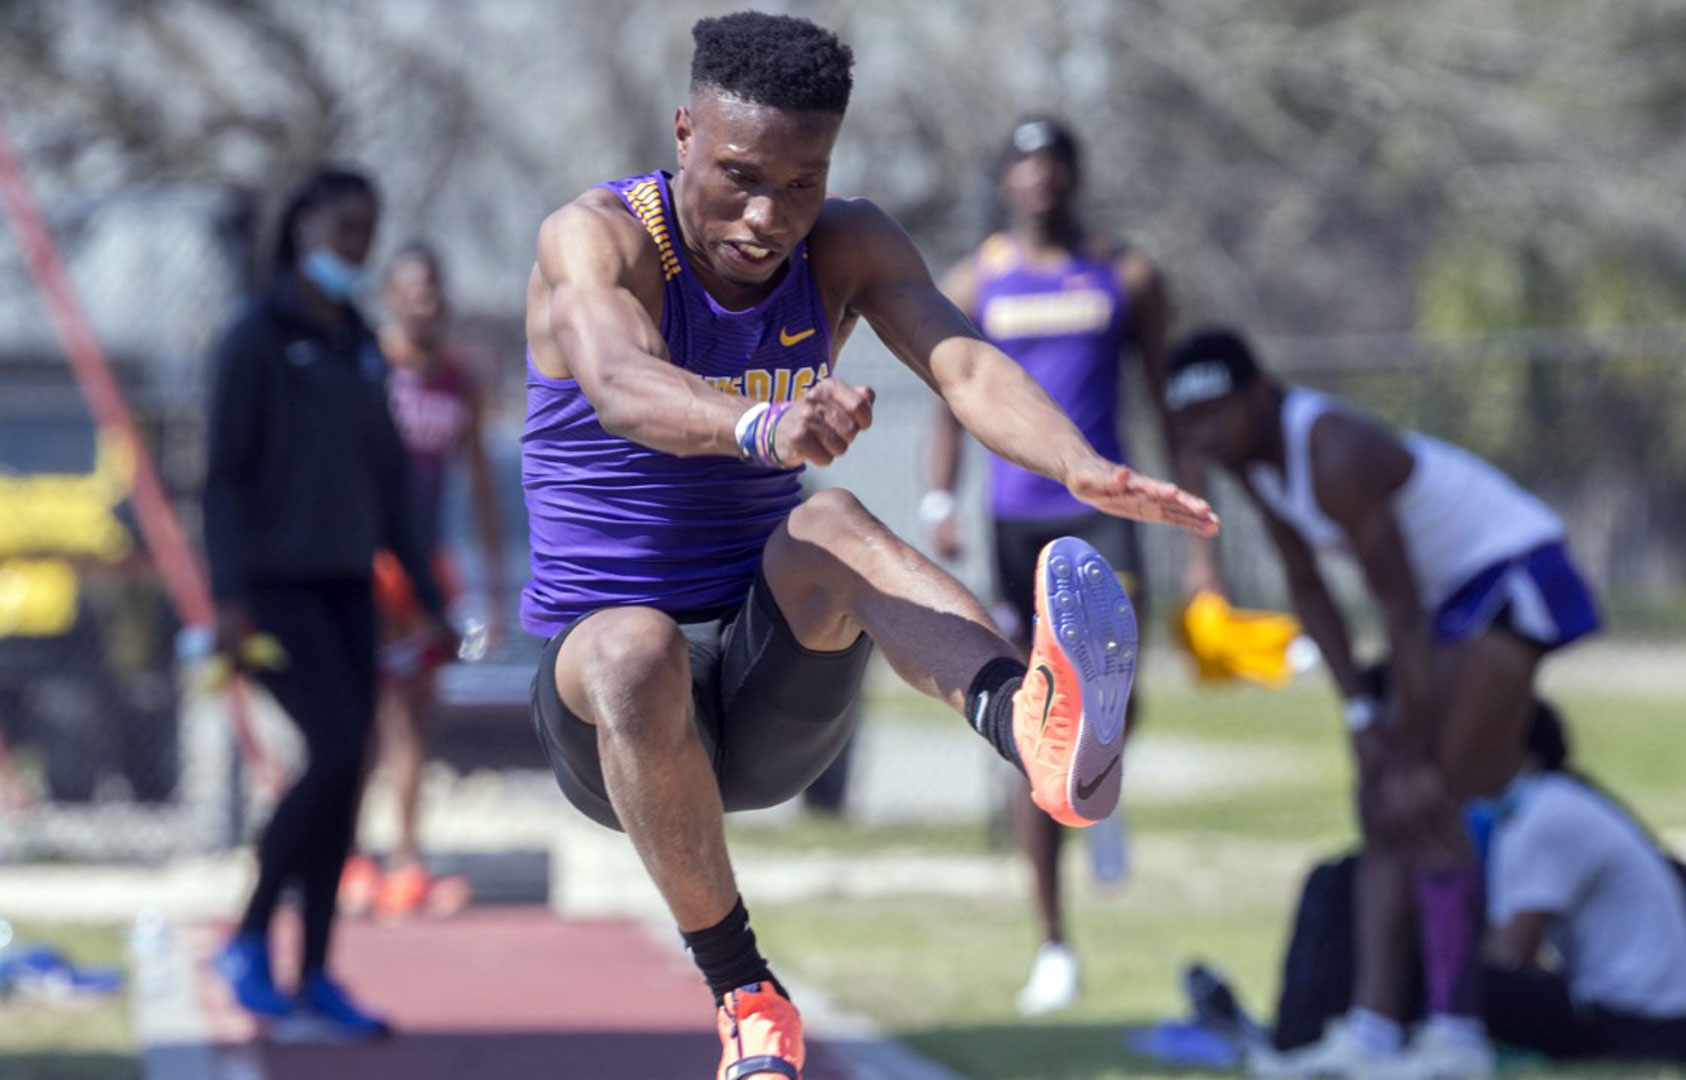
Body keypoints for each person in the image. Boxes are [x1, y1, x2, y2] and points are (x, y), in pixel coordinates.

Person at [518, 13, 1216, 1079]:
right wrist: (764, 424)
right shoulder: (597, 238)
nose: (766, 218)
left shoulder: (847, 243)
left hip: (769, 683)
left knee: (829, 522)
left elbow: (965, 364)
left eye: (801, 184)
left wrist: (1077, 464)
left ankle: (1027, 724)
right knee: (632, 647)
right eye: (740, 178)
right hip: (609, 709)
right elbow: (619, 383)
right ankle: (746, 995)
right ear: (684, 134)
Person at [1164, 329, 1600, 1080]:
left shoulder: (1333, 450)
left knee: (1431, 796)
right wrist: (1363, 717)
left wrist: (1409, 749)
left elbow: (1399, 612)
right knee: (1382, 804)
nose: (1207, 435)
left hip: (1508, 576)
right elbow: (1308, 590)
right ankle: (1372, 1031)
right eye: (1191, 422)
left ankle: (1457, 1037)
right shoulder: (1253, 465)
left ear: (1259, 393)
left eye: (1217, 413)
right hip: (1449, 604)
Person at [922, 114, 1177, 1015]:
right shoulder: (975, 279)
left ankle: (1102, 777)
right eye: (1025, 166)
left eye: (1055, 165)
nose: (1041, 181)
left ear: (1075, 176)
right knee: (1039, 718)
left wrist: (1182, 500)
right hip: (1015, 524)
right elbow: (950, 400)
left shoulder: (1126, 274)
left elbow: (1163, 396)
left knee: (1118, 689)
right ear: (1006, 180)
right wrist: (940, 501)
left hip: (1104, 508)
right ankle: (1054, 943)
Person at [204, 167, 455, 1042]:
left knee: (349, 772)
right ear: (303, 223)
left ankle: (312, 972)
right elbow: (222, 479)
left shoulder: (357, 341)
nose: (359, 244)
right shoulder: (256, 336)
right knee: (340, 746)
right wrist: (227, 597)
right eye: (347, 225)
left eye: (369, 228)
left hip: (350, 584)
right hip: (273, 589)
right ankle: (246, 938)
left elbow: (391, 483)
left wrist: (427, 598)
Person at [337, 242, 509, 920]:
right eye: (411, 292)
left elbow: (480, 484)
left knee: (414, 716)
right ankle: (349, 857)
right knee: (359, 716)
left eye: (433, 292)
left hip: (426, 570)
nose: (424, 305)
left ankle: (406, 862)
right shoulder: (367, 368)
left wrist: (492, 586)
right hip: (366, 563)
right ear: (390, 297)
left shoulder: (459, 381)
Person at [1480, 699, 1686, 1064]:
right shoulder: (1554, 803)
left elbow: (1510, 954)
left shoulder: (1546, 815)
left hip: (1643, 1024)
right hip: (1660, 1018)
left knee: (1467, 987)